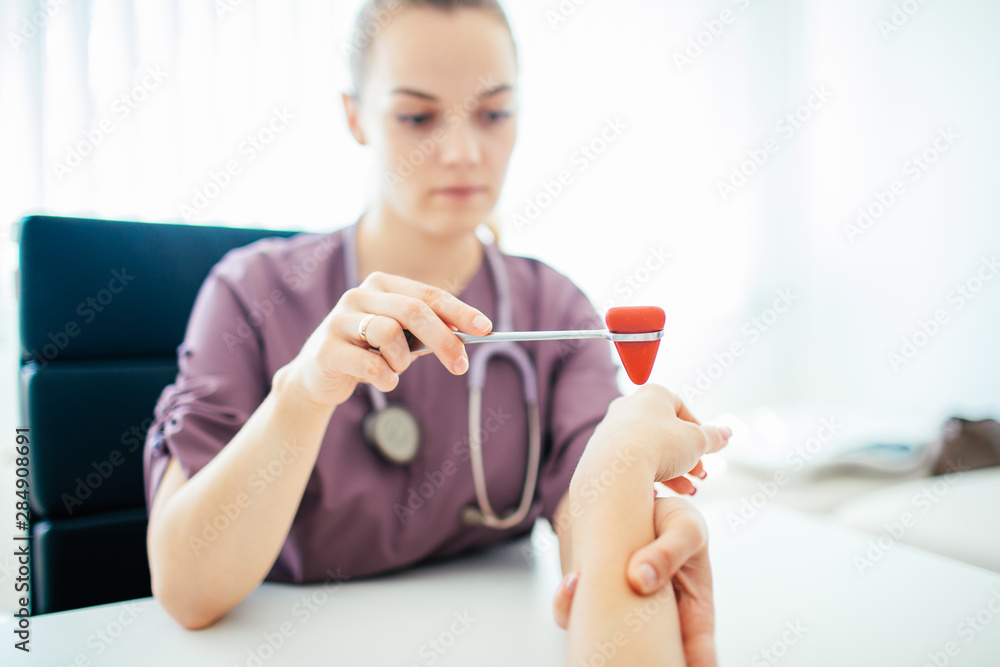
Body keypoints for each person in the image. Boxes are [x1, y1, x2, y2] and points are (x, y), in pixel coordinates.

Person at [142, 0, 731, 663]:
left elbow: (589, 521)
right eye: (418, 116)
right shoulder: (250, 293)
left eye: (494, 114)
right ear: (355, 116)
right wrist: (302, 397)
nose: (462, 152)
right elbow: (187, 589)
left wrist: (634, 512)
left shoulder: (555, 307)